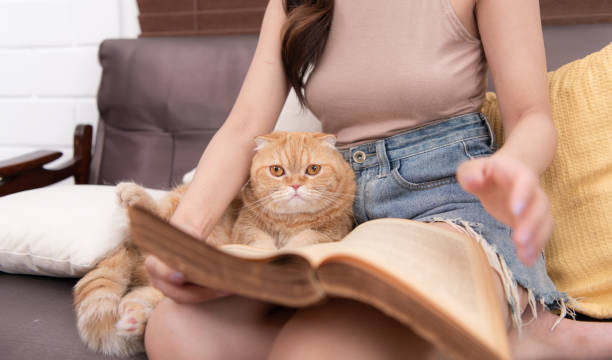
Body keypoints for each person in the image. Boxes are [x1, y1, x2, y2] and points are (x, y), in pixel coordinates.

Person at [143, 0, 612, 359]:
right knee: (173, 331)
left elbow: (532, 117)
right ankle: (517, 338)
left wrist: (512, 168)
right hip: (343, 218)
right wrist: (184, 238)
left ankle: (511, 320)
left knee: (314, 348)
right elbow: (245, 126)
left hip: (448, 205)